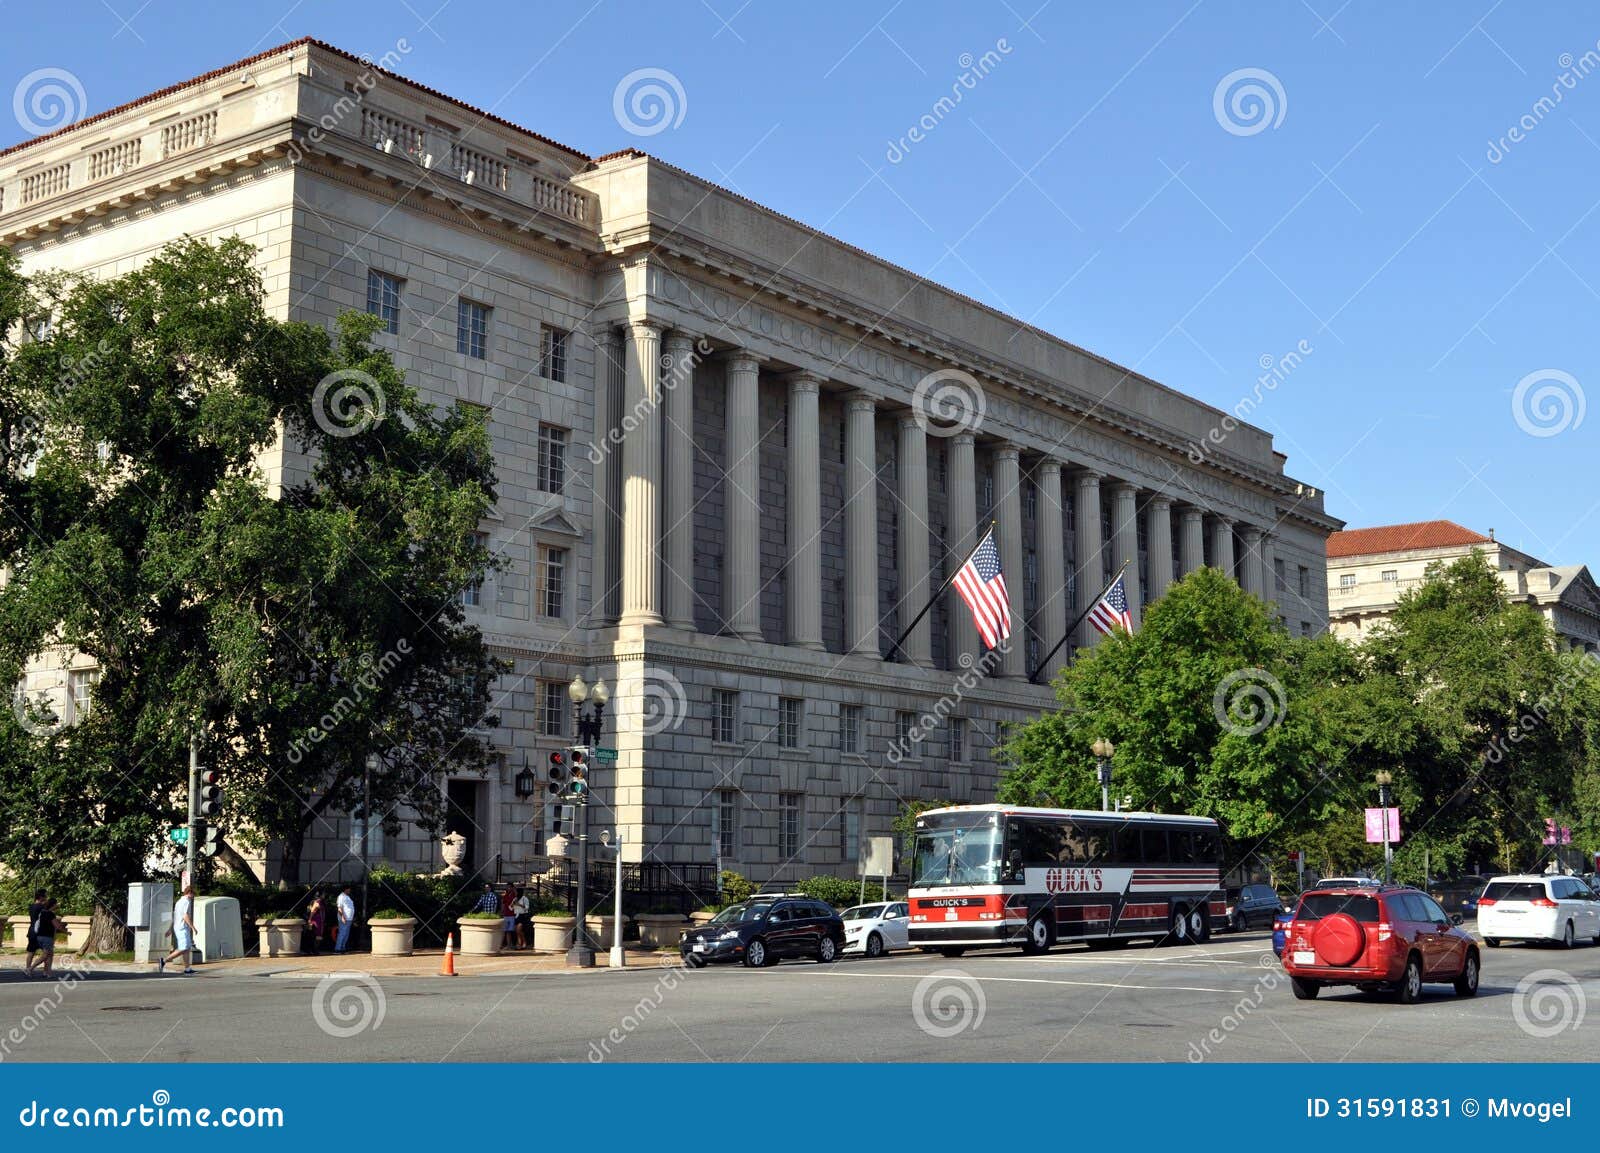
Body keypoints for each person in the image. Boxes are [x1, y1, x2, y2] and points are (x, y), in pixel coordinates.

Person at [160, 885, 197, 975]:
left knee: (187, 948)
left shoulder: (179, 902)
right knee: (183, 948)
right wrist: (193, 927)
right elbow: (185, 915)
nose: (193, 897)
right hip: (182, 928)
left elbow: (175, 916)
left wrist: (170, 929)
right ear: (190, 893)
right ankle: (164, 960)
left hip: (178, 927)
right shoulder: (186, 901)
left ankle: (187, 969)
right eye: (193, 894)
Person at [28, 898, 60, 979]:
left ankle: (47, 973)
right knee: (45, 955)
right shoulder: (50, 914)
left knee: (50, 954)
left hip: (40, 936)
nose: (58, 905)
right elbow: (57, 926)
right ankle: (30, 969)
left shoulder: (42, 912)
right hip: (47, 937)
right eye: (56, 904)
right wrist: (67, 932)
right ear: (53, 905)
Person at [22, 888, 46, 977]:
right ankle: (32, 969)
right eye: (45, 896)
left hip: (31, 931)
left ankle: (28, 969)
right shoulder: (41, 907)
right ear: (41, 897)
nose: (46, 898)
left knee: (31, 952)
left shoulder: (31, 906)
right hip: (39, 932)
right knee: (47, 953)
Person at [335, 886, 356, 953]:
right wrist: (342, 917)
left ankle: (342, 948)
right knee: (342, 933)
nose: (350, 890)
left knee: (346, 934)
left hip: (349, 918)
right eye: (349, 889)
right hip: (344, 918)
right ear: (346, 889)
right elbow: (339, 908)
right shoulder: (341, 897)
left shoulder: (347, 896)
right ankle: (338, 948)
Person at [500, 885, 520, 951]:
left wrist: (514, 892)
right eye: (507, 887)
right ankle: (501, 945)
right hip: (506, 915)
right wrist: (502, 912)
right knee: (504, 931)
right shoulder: (505, 895)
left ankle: (509, 945)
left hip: (511, 915)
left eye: (510, 887)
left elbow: (514, 905)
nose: (508, 888)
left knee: (509, 931)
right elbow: (503, 904)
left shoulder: (515, 896)